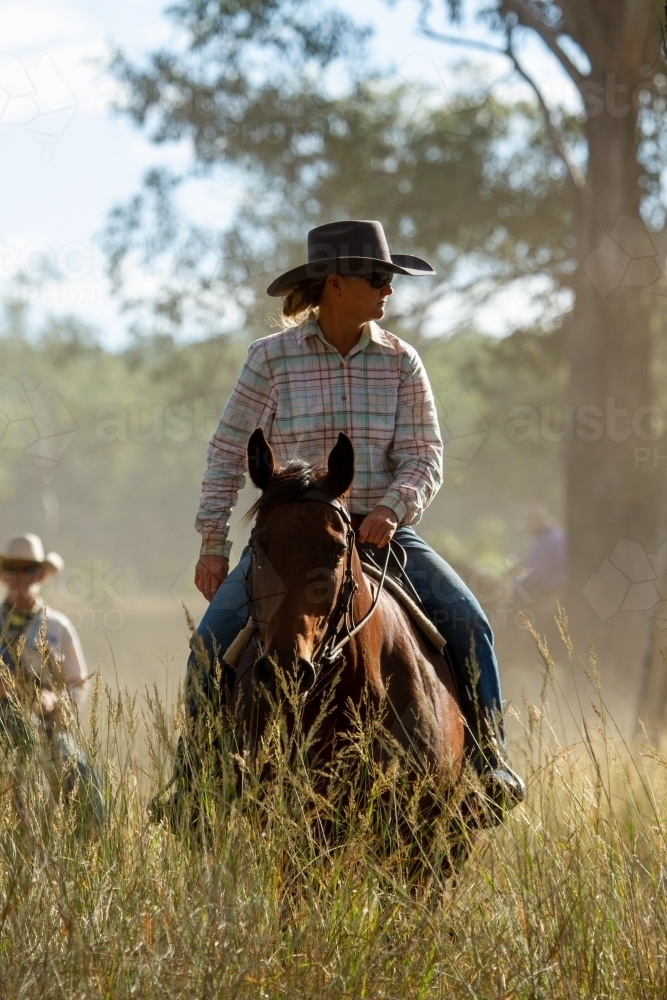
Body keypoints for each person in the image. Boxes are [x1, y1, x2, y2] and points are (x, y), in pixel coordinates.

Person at [186, 219, 524, 814]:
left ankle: (488, 765)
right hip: (292, 535)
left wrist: (393, 509)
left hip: (379, 527)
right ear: (335, 283)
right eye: (378, 277)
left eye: (390, 278)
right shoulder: (270, 360)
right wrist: (214, 541)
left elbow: (425, 455)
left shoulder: (401, 362)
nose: (389, 289)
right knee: (211, 641)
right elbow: (225, 451)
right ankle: (195, 781)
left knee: (469, 621)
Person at [0, 533, 104, 827]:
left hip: (45, 724)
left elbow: (77, 682)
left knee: (81, 773)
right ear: (4, 575)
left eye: (29, 570)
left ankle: (88, 839)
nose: (20, 577)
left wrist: (55, 701)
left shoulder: (58, 625)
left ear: (41, 575)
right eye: (13, 569)